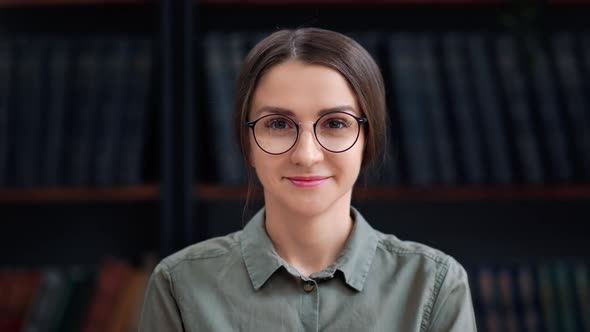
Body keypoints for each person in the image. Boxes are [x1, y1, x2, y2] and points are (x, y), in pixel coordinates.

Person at [139, 28, 477, 331]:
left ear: (368, 138)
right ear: (246, 144)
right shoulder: (179, 285)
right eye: (278, 124)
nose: (306, 154)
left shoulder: (435, 284)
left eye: (335, 123)